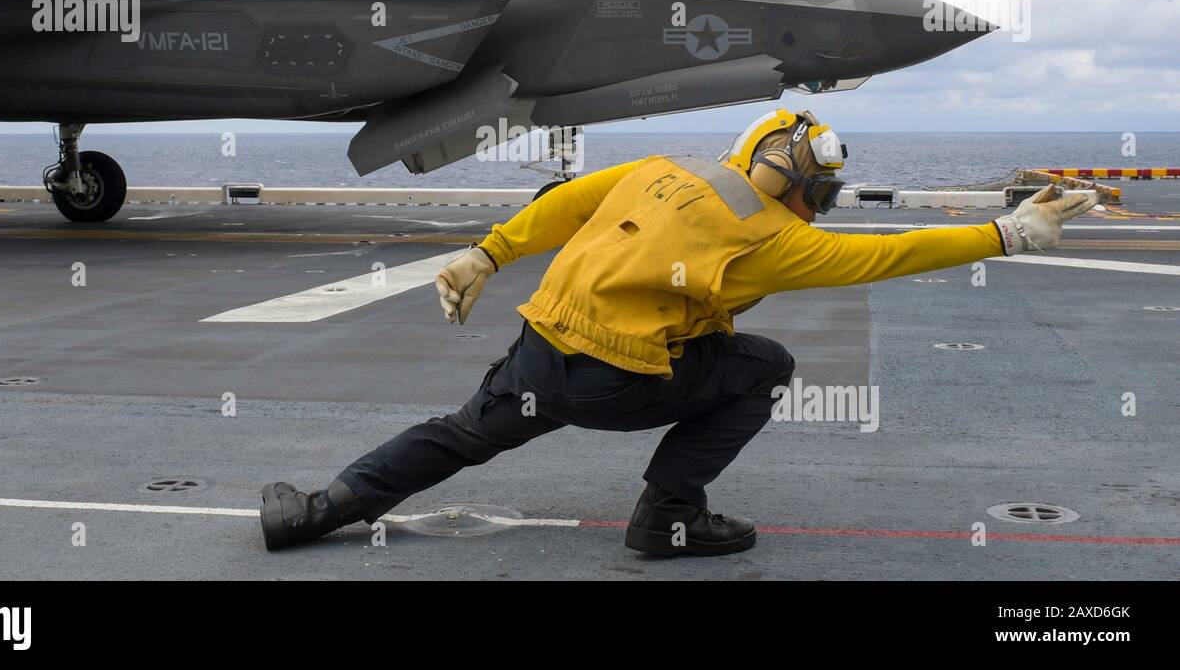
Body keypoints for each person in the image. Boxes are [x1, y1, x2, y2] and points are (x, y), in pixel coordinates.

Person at [260, 109, 1096, 556]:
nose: (820, 202)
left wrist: (489, 253)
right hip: (621, 383)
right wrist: (1006, 234)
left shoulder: (665, 169)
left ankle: (318, 511)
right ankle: (669, 519)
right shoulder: (776, 238)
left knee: (459, 436)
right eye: (821, 188)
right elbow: (889, 255)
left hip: (543, 354)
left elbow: (569, 202)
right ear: (802, 182)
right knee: (766, 365)